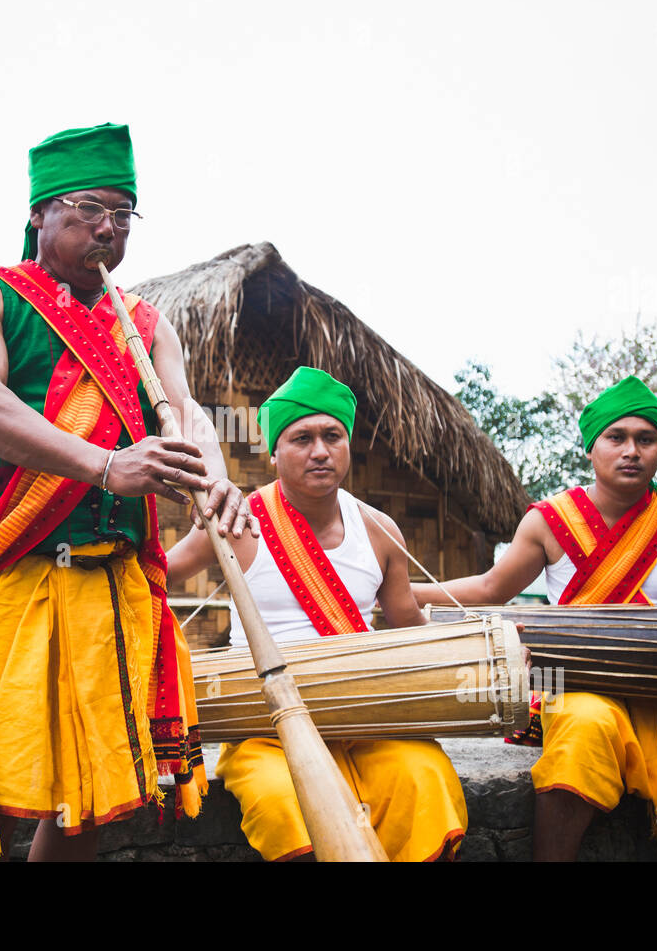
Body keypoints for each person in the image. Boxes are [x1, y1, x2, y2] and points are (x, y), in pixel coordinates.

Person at [0, 123, 254, 861]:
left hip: (115, 586)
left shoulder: (147, 322)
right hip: (12, 577)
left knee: (93, 802)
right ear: (40, 211)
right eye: (89, 209)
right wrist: (109, 467)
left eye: (125, 214)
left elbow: (187, 414)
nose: (109, 229)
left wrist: (220, 477)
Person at [413, 376, 657, 861]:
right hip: (582, 686)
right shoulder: (548, 522)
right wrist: (399, 591)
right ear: (592, 449)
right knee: (583, 730)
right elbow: (491, 589)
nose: (631, 450)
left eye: (646, 439)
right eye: (616, 438)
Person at [168, 366, 469, 861]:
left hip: (364, 719)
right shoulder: (235, 522)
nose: (320, 450)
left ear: (349, 446)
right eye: (301, 438)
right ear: (274, 452)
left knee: (424, 778)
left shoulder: (378, 529)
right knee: (279, 802)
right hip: (265, 728)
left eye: (333, 435)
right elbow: (157, 576)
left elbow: (409, 628)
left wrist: (481, 649)